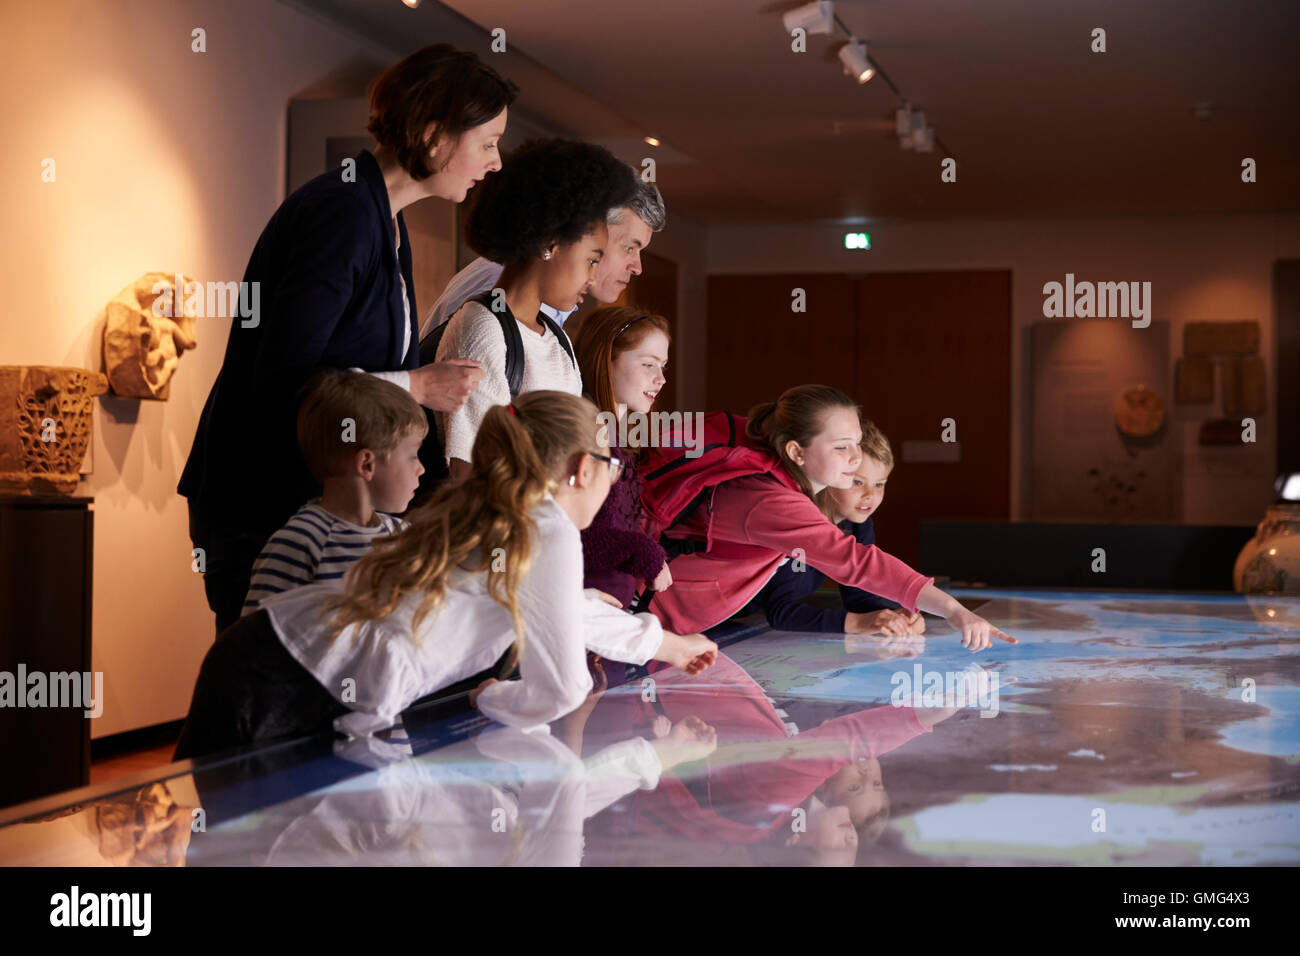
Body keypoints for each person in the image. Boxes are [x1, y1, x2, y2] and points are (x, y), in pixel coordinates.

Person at [173, 391, 718, 760]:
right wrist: (491, 699)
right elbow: (565, 687)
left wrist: (668, 645)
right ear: (581, 469)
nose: (612, 479)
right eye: (612, 465)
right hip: (281, 673)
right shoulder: (545, 527)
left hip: (269, 659)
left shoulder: (512, 516)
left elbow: (567, 613)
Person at [179, 44, 511, 633]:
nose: (496, 162)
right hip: (263, 499)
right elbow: (286, 377)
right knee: (269, 690)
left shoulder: (383, 216)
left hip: (306, 497)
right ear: (435, 136)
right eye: (486, 143)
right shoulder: (342, 212)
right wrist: (417, 384)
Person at [644, 385, 1017, 652]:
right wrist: (954, 611)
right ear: (797, 452)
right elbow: (856, 563)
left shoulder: (782, 486)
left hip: (659, 617)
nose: (855, 457)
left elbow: (859, 576)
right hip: (648, 614)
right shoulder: (772, 500)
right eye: (841, 447)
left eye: (856, 442)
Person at [434, 139, 638, 480]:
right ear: (549, 245)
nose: (592, 277)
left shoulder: (555, 338)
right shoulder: (482, 327)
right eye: (591, 260)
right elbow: (469, 471)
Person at [241, 371, 425, 617]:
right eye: (413, 455)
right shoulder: (299, 544)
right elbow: (254, 643)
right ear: (366, 464)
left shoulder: (405, 537)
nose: (421, 468)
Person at [742, 420, 926, 636]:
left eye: (879, 484)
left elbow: (859, 597)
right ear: (830, 476)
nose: (870, 495)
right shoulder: (795, 522)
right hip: (709, 621)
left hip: (740, 623)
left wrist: (892, 618)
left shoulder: (857, 523)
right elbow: (781, 611)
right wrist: (858, 623)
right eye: (857, 482)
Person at [420, 180, 666, 336]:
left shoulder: (542, 291)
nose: (637, 268)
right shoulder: (506, 287)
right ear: (592, 231)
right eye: (629, 248)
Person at [571, 306, 673, 609]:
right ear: (606, 359)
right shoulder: (585, 433)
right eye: (648, 365)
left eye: (663, 367)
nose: (661, 379)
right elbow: (574, 535)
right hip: (584, 611)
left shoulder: (615, 435)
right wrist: (647, 554)